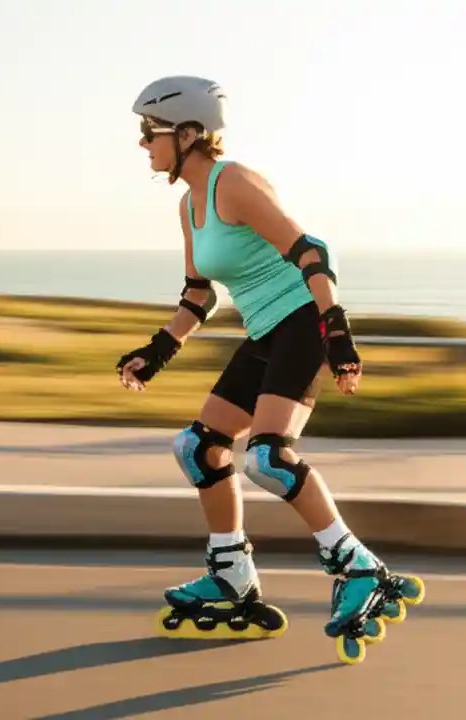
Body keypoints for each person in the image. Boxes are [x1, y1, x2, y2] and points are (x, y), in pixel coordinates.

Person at [118, 75, 423, 663]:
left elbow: (311, 251)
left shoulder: (234, 183)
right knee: (198, 447)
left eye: (150, 132)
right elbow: (198, 295)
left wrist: (336, 330)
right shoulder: (189, 206)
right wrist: (157, 350)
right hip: (264, 331)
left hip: (304, 321)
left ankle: (358, 567)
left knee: (267, 459)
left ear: (188, 134)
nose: (142, 143)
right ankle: (231, 575)